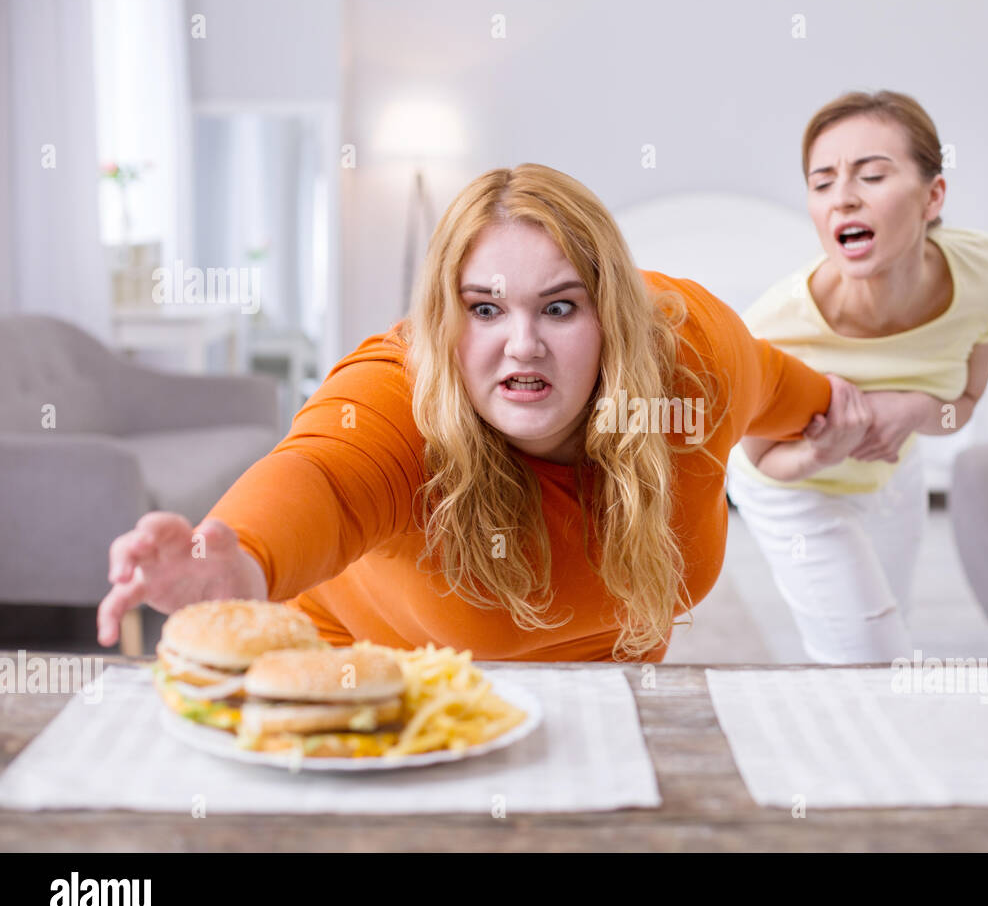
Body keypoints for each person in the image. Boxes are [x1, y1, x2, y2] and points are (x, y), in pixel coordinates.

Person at [97, 163, 877, 663]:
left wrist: (841, 419)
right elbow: (322, 482)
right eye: (485, 309)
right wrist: (241, 560)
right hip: (374, 684)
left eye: (561, 307)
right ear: (443, 318)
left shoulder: (692, 359)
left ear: (614, 317)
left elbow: (787, 391)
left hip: (613, 702)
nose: (522, 346)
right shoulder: (400, 397)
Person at [724, 91, 988, 664]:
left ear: (933, 196)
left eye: (872, 175)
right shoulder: (773, 329)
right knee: (870, 654)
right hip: (793, 486)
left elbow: (965, 400)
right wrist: (818, 454)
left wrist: (910, 409)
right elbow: (759, 460)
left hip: (892, 471)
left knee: (889, 637)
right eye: (822, 182)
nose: (844, 199)